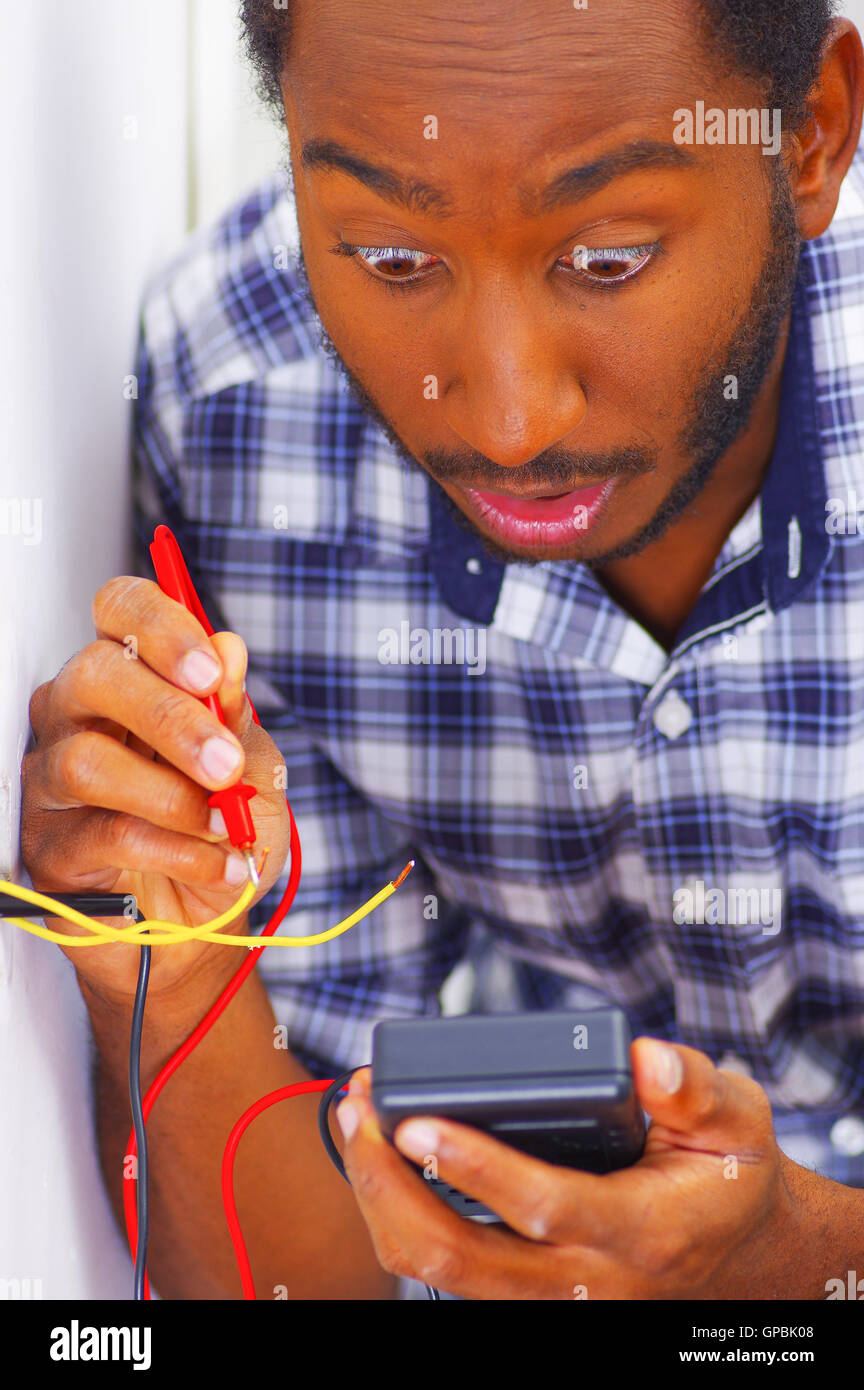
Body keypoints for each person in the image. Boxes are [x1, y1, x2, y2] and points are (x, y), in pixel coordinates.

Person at [20, 0, 864, 1300]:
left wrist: (801, 1265)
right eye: (390, 255)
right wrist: (174, 978)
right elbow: (293, 1277)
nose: (512, 422)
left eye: (609, 255)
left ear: (810, 133)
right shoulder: (243, 416)